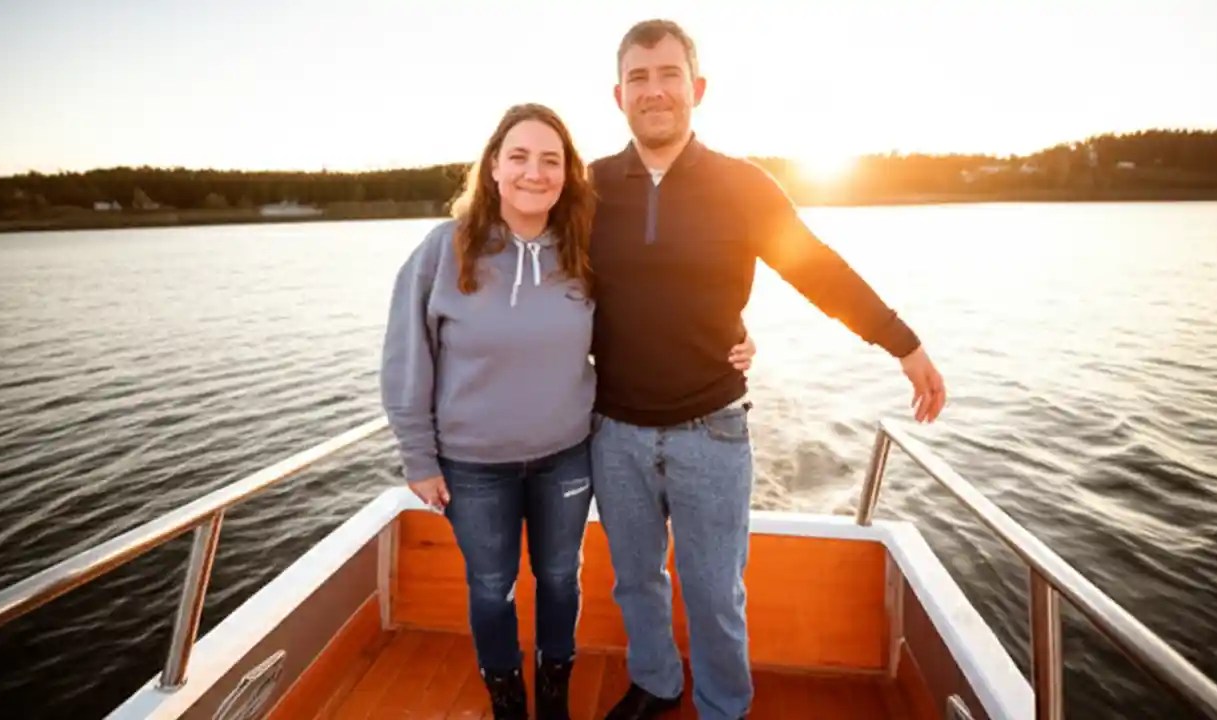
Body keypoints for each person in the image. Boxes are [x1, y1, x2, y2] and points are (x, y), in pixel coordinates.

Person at [587, 19, 948, 720]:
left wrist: (904, 343)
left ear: (696, 88)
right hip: (614, 433)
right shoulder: (589, 187)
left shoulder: (742, 185)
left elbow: (818, 270)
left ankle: (725, 707)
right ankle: (657, 683)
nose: (653, 91)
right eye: (638, 78)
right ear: (617, 95)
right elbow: (542, 280)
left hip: (711, 431)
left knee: (715, 591)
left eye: (667, 75)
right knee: (635, 582)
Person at [379, 103, 756, 720]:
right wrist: (418, 456)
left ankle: (553, 693)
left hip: (565, 456)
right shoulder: (443, 250)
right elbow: (405, 356)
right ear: (494, 167)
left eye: (550, 160)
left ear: (567, 174)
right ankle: (508, 701)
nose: (535, 172)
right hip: (472, 464)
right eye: (520, 157)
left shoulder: (583, 248)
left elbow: (657, 306)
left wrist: (735, 332)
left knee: (560, 579)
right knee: (490, 587)